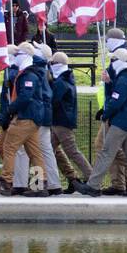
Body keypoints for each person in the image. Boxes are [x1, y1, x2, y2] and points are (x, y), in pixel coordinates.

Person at [76, 47, 127, 197]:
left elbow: (117, 100)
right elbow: (115, 94)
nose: (111, 63)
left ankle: (92, 186)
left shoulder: (125, 79)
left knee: (106, 152)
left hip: (122, 122)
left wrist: (105, 114)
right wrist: (108, 82)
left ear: (119, 62)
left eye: (113, 60)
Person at [0, 43, 53, 197]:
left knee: (8, 147)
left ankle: (6, 182)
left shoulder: (28, 75)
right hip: (32, 118)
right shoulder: (27, 73)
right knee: (34, 152)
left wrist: (10, 110)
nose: (15, 58)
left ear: (24, 56)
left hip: (26, 117)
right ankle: (39, 185)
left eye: (17, 55)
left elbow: (25, 97)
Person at [48, 51, 90, 192]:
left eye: (52, 63)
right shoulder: (64, 78)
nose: (50, 66)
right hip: (58, 121)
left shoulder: (61, 82)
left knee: (72, 151)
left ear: (58, 65)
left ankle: (91, 177)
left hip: (62, 122)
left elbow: (53, 100)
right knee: (48, 150)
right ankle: (71, 177)